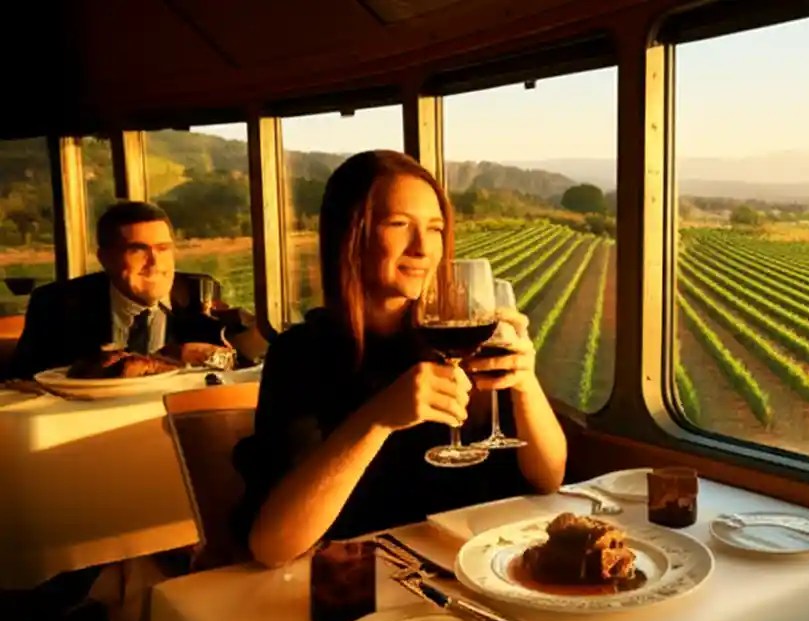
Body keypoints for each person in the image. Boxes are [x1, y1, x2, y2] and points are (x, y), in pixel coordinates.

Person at [233, 150, 567, 567]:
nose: (423, 247)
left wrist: (525, 382)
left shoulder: (460, 334)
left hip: (484, 568)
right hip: (372, 582)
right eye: (398, 224)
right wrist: (377, 420)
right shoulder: (302, 355)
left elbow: (548, 476)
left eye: (435, 228)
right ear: (350, 235)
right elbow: (273, 546)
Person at [7, 200, 262, 379]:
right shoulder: (56, 303)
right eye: (138, 249)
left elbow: (250, 358)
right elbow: (24, 381)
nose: (155, 262)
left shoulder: (199, 292)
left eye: (163, 248)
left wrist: (205, 357)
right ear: (105, 258)